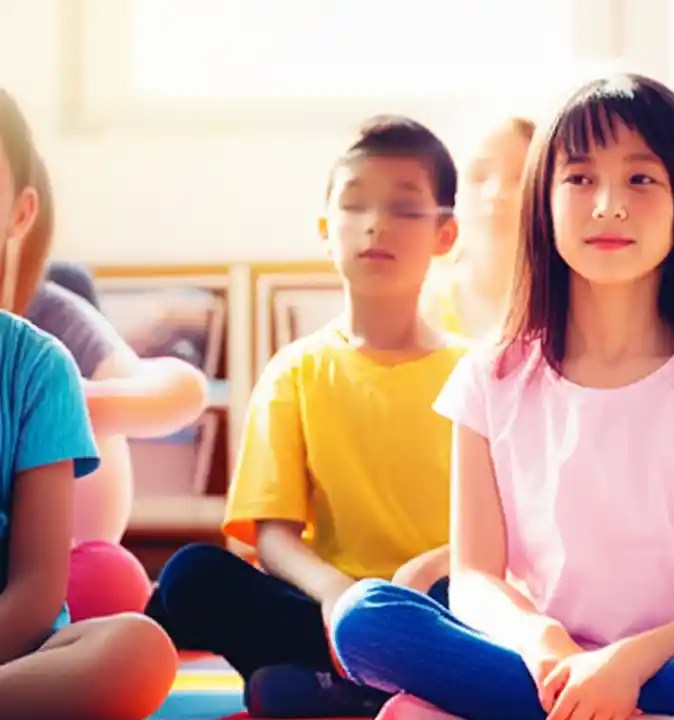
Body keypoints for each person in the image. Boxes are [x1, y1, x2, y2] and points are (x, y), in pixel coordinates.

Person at [328, 73, 674, 720]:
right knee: (366, 616)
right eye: (580, 178)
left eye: (641, 179)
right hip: (535, 664)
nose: (609, 204)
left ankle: (608, 705)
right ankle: (606, 708)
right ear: (544, 202)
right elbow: (475, 578)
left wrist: (628, 663)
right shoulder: (490, 378)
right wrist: (547, 644)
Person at [145, 115, 465, 718]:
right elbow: (273, 536)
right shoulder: (294, 372)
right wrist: (338, 595)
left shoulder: (476, 373)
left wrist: (430, 573)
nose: (375, 224)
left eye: (404, 208)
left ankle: (346, 689)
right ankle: (364, 684)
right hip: (327, 614)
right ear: (326, 229)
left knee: (484, 608)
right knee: (191, 577)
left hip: (443, 605)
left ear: (445, 234)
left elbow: (509, 531)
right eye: (355, 205)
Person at [0, 88, 176, 720]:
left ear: (19, 214)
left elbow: (38, 589)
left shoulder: (38, 366)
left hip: (11, 647)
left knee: (138, 649)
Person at [424, 116, 535, 339]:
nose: (496, 193)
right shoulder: (425, 308)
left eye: (518, 177)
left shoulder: (570, 310)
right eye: (479, 176)